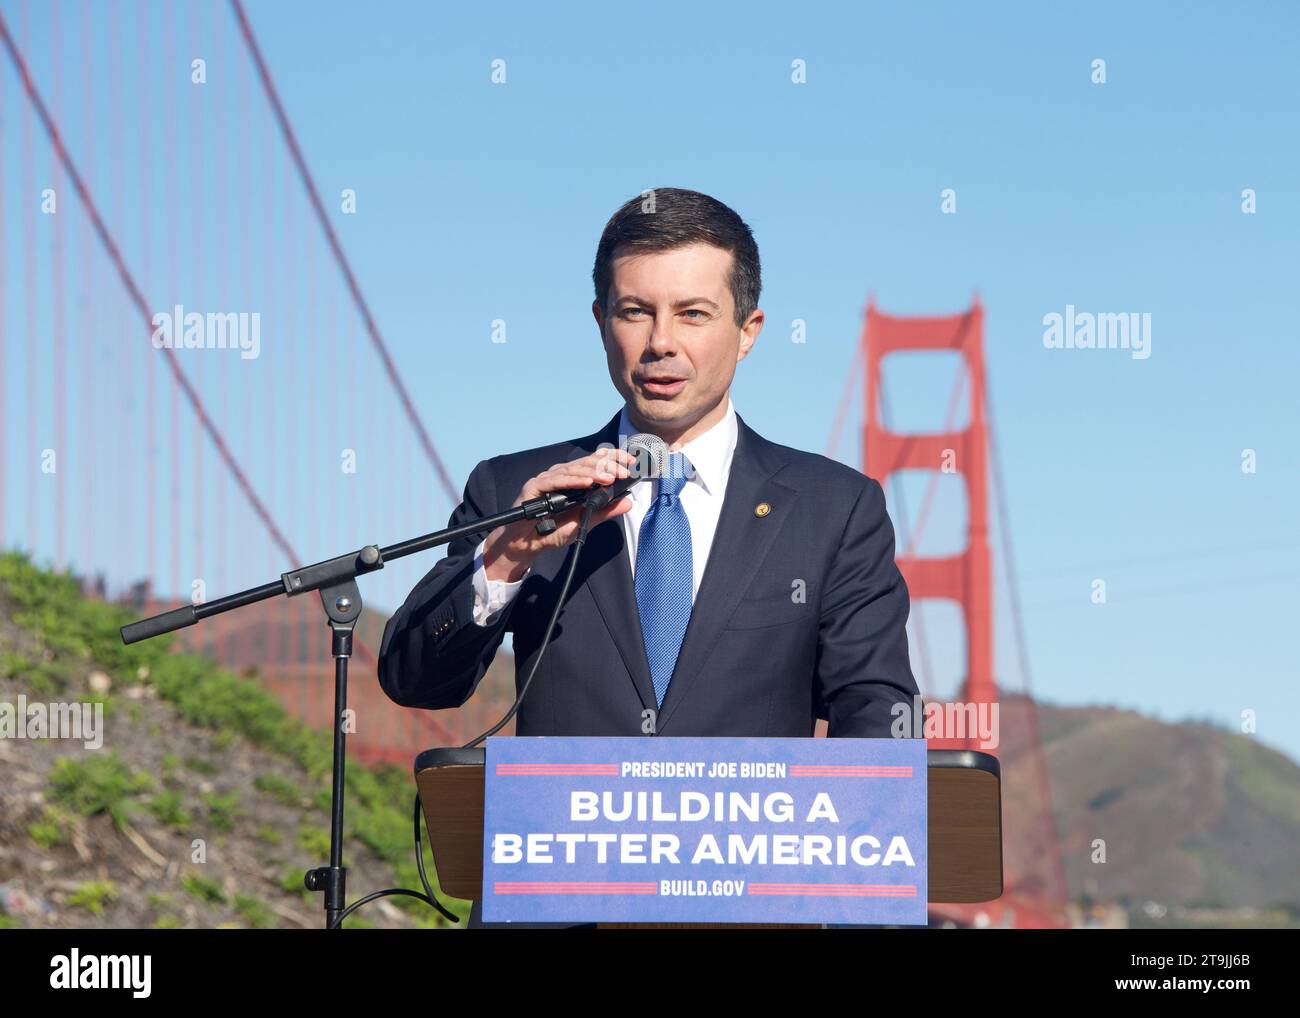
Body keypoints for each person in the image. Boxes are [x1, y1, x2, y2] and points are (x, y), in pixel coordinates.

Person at [378, 187, 920, 927]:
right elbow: (414, 678)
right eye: (635, 312)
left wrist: (852, 897)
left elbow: (877, 712)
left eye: (693, 313)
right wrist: (505, 556)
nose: (661, 341)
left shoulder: (835, 508)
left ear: (750, 328)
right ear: (601, 323)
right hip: (550, 914)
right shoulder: (515, 488)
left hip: (753, 918)